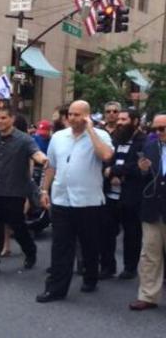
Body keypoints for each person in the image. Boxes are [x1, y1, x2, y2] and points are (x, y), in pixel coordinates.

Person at [36, 100, 114, 303]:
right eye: (70, 114)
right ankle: (56, 289)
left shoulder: (101, 135)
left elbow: (106, 155)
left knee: (90, 244)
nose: (73, 118)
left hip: (89, 202)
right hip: (62, 199)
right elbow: (51, 166)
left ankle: (91, 276)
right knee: (61, 246)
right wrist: (44, 189)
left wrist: (91, 130)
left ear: (87, 116)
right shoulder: (59, 137)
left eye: (78, 114)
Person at [0, 104, 49, 274]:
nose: (0, 121)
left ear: (12, 119)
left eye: (3, 118)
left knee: (18, 226)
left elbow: (36, 153)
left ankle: (30, 251)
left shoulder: (24, 140)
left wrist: (43, 160)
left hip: (14, 192)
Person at [99, 108, 145, 280]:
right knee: (106, 232)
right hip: (110, 195)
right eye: (118, 119)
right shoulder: (114, 140)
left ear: (135, 122)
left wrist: (116, 171)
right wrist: (110, 173)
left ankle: (129, 267)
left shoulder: (144, 142)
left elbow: (140, 166)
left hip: (131, 197)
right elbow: (105, 159)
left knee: (132, 234)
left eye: (124, 120)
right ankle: (107, 266)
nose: (119, 122)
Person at [129, 112, 166, 311]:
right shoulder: (150, 146)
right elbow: (143, 177)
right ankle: (148, 295)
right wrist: (142, 169)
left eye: (162, 129)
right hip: (152, 208)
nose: (158, 133)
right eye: (155, 129)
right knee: (150, 254)